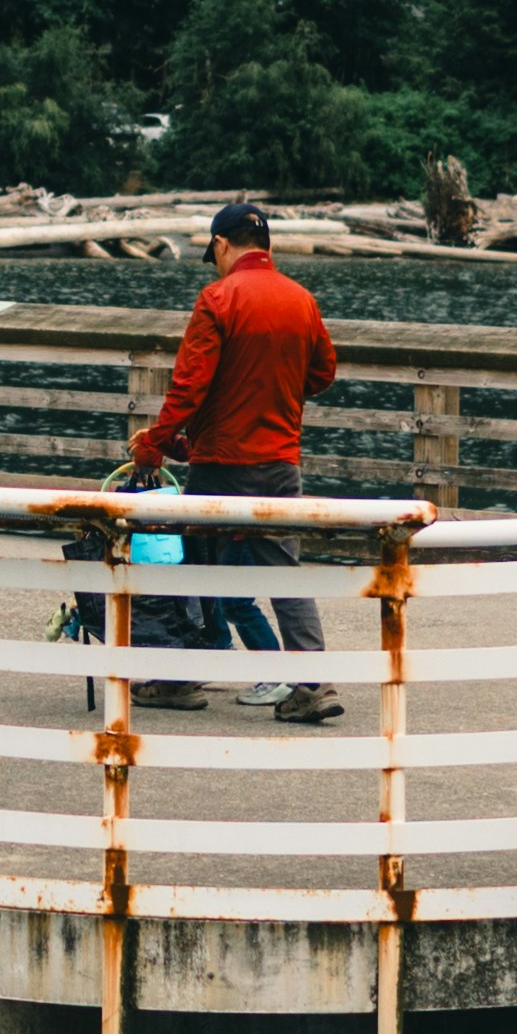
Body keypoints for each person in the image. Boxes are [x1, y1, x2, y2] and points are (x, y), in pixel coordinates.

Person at [126, 192, 345, 722]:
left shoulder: (217, 299)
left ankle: (180, 678)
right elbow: (323, 373)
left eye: (215, 252)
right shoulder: (301, 300)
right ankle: (313, 685)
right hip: (281, 463)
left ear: (222, 245)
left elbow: (188, 385)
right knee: (286, 574)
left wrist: (154, 444)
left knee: (194, 565)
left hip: (221, 465)